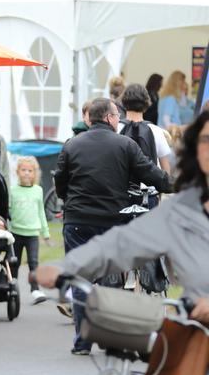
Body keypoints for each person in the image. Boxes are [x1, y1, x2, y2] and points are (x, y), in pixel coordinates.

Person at [36, 110, 209, 375]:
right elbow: (123, 244)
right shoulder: (183, 211)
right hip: (200, 355)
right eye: (206, 140)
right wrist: (64, 266)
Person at [53, 97, 170, 354]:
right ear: (108, 117)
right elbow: (149, 173)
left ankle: (83, 341)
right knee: (110, 281)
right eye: (117, 116)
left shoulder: (72, 145)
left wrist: (70, 200)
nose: (119, 121)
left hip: (77, 221)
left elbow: (60, 182)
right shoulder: (125, 144)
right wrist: (173, 183)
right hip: (111, 221)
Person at [9, 156, 51, 306]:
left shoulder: (38, 191)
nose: (26, 173)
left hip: (33, 233)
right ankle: (11, 287)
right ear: (17, 172)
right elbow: (9, 212)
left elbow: (41, 213)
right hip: (16, 233)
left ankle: (35, 289)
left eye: (30, 170)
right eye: (23, 170)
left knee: (34, 262)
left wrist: (45, 234)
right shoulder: (13, 191)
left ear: (35, 173)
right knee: (15, 262)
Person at [120, 83, 174, 178]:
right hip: (149, 189)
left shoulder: (115, 128)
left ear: (124, 102)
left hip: (120, 189)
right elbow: (165, 169)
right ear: (146, 103)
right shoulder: (157, 131)